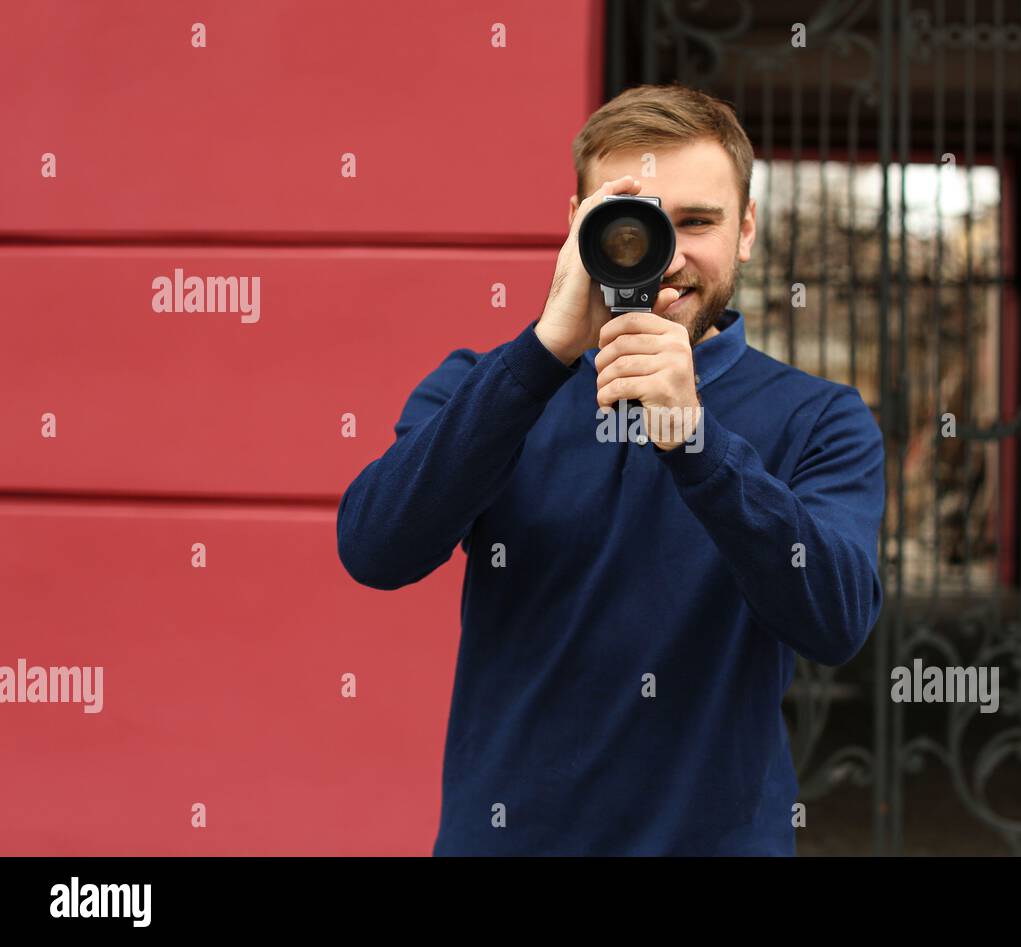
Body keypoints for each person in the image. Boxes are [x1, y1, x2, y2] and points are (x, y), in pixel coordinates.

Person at [336, 82, 886, 856]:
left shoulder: (819, 418)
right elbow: (374, 548)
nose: (664, 253)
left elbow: (835, 623)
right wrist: (539, 357)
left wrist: (696, 441)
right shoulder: (480, 385)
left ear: (748, 230)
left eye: (697, 222)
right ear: (575, 228)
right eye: (630, 223)